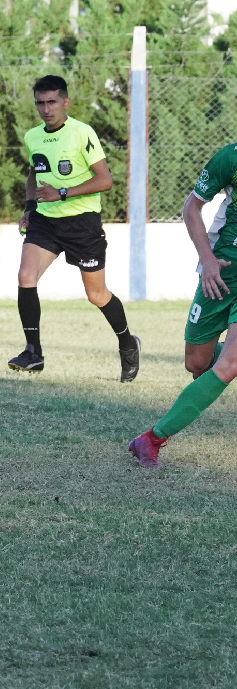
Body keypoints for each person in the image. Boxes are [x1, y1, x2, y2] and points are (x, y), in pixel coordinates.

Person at [10, 74, 140, 381]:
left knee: (96, 295)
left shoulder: (82, 133)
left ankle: (127, 343)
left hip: (82, 222)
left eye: (52, 102)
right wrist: (29, 208)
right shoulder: (33, 136)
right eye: (40, 103)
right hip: (45, 220)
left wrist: (63, 192)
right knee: (26, 277)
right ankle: (33, 353)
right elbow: (34, 173)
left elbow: (104, 180)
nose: (46, 109)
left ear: (65, 102)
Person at [129, 147, 237, 466]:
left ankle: (151, 439)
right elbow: (192, 207)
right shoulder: (230, 158)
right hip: (221, 269)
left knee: (229, 366)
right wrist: (206, 259)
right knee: (197, 364)